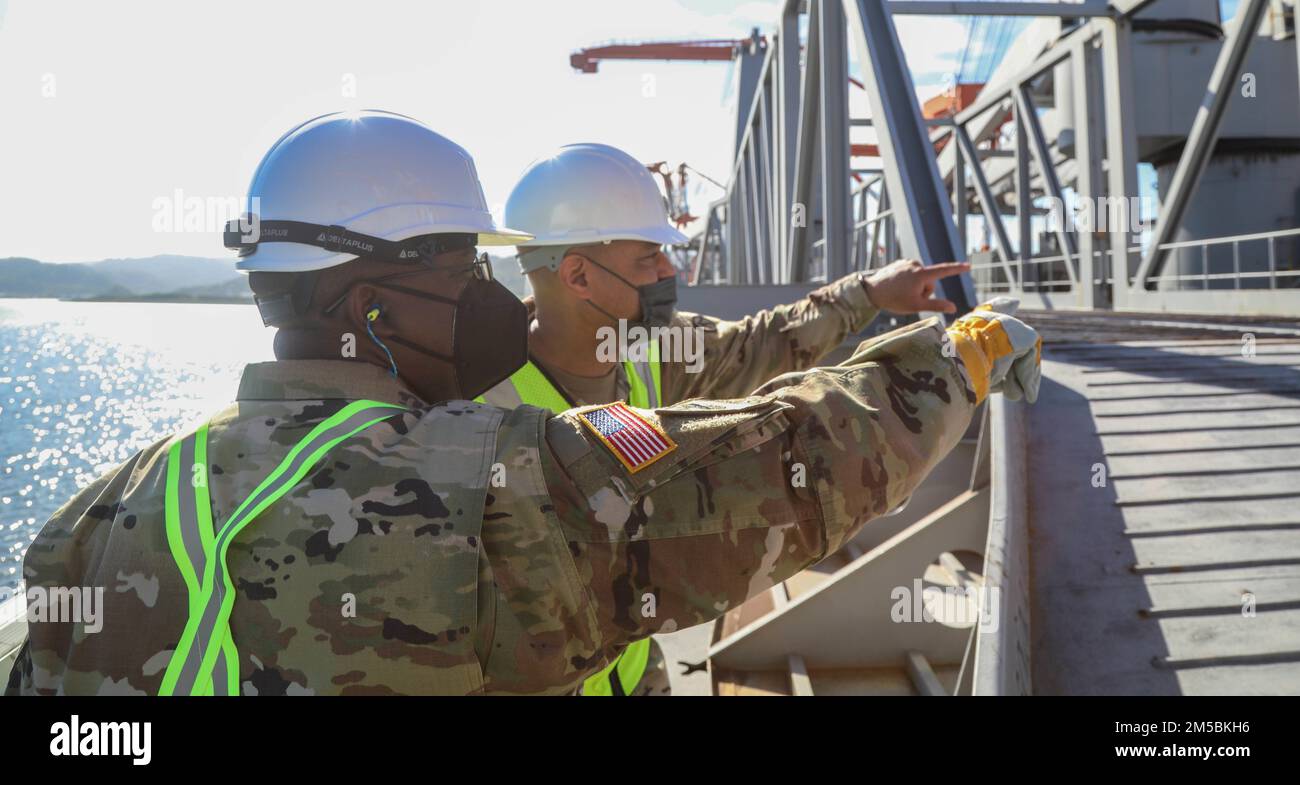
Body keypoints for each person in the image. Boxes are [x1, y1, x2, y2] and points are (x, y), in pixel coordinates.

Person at [5, 110, 1041, 696]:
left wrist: (862, 299)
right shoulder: (477, 481)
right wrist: (959, 355)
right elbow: (786, 464)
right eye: (457, 270)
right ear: (364, 303)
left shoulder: (103, 506)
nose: (483, 297)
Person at [484, 142, 973, 696]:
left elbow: (764, 343)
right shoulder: (482, 405)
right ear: (577, 275)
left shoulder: (652, 350)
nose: (670, 270)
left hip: (633, 673)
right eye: (649, 257)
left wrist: (867, 294)